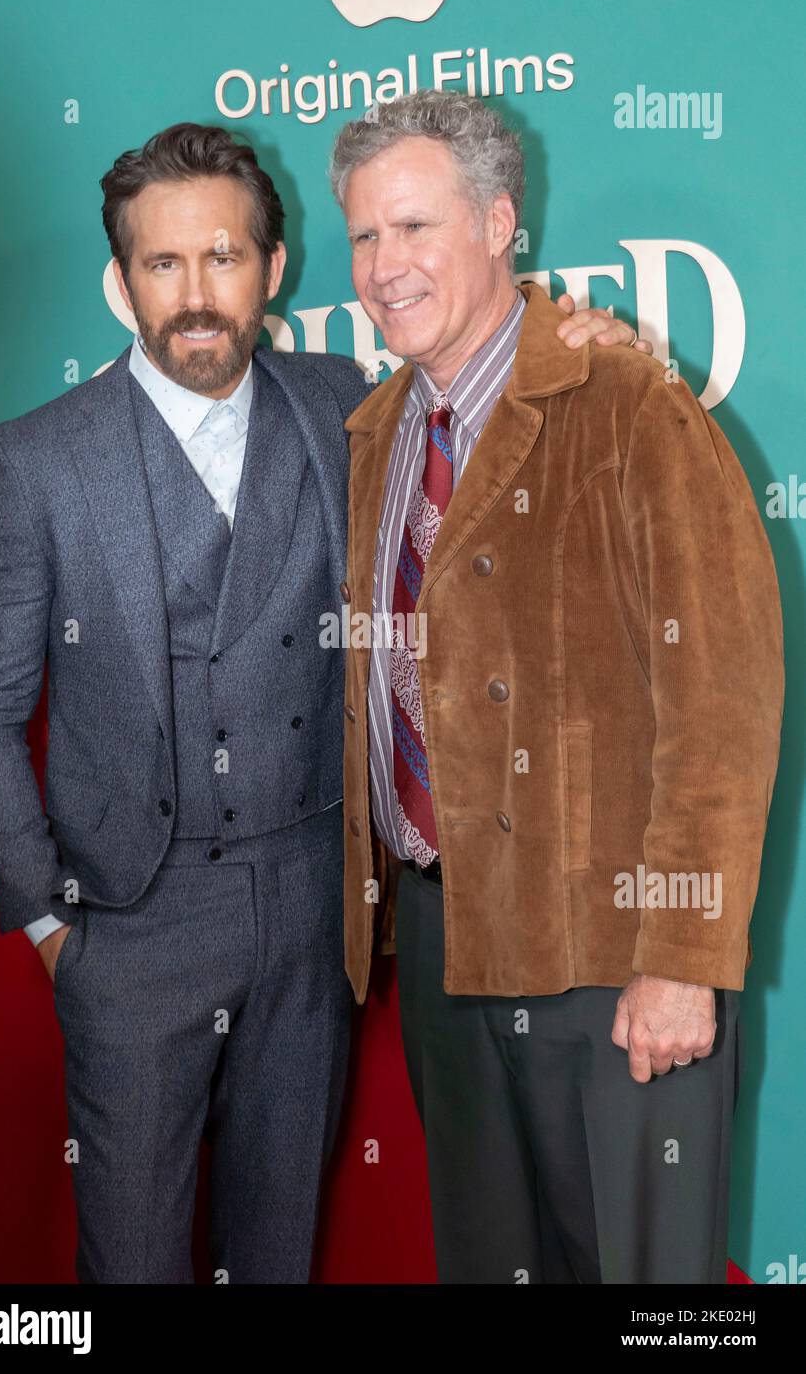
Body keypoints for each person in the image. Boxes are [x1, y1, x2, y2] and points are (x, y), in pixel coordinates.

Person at [0, 120, 643, 1285]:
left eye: (223, 257)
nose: (196, 293)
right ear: (121, 284)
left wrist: (593, 343)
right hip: (127, 926)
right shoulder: (35, 460)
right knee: (133, 1261)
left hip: (311, 916)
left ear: (274, 269)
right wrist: (52, 926)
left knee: (277, 1251)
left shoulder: (346, 403)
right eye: (162, 265)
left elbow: (484, 387)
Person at [331, 89, 784, 1284]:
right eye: (366, 236)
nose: (386, 267)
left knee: (650, 1291)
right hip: (443, 948)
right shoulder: (374, 433)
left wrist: (681, 952)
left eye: (416, 228)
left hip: (611, 953)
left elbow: (721, 702)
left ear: (496, 223)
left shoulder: (628, 402)